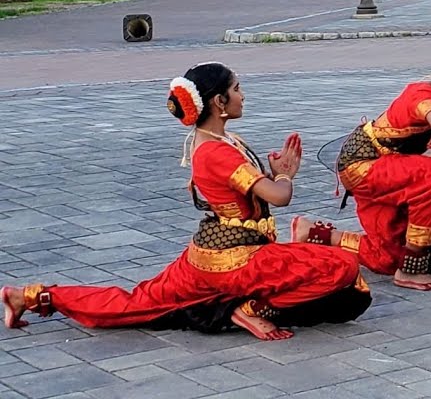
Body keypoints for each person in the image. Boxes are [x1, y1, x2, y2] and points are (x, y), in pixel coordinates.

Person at [2, 62, 371, 341]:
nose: (244, 95)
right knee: (341, 269)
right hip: (239, 261)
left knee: (138, 303)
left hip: (210, 255)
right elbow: (281, 198)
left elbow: (246, 196)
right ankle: (244, 309)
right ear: (219, 101)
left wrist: (273, 174)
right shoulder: (216, 152)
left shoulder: (212, 140)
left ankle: (30, 296)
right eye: (238, 89)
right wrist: (286, 174)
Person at [302, 35, 431, 292]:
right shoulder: (421, 94)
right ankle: (410, 271)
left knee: (388, 258)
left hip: (389, 171)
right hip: (363, 167)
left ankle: (315, 234)